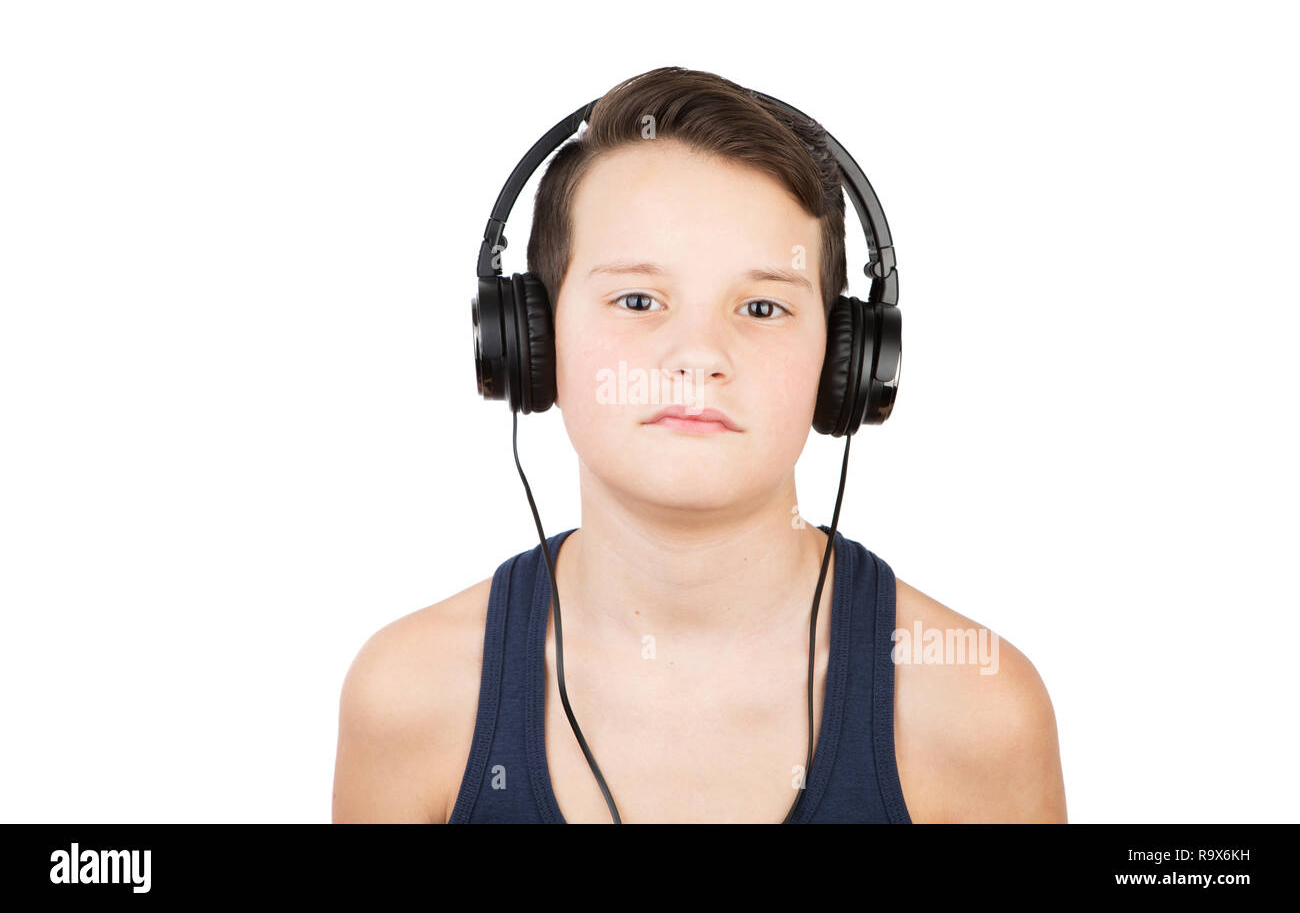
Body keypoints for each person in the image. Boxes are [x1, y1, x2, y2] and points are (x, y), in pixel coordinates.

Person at [331, 66, 1067, 823]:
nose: (699, 356)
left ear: (846, 359)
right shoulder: (411, 698)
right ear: (532, 339)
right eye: (639, 300)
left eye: (761, 305)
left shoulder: (977, 711)